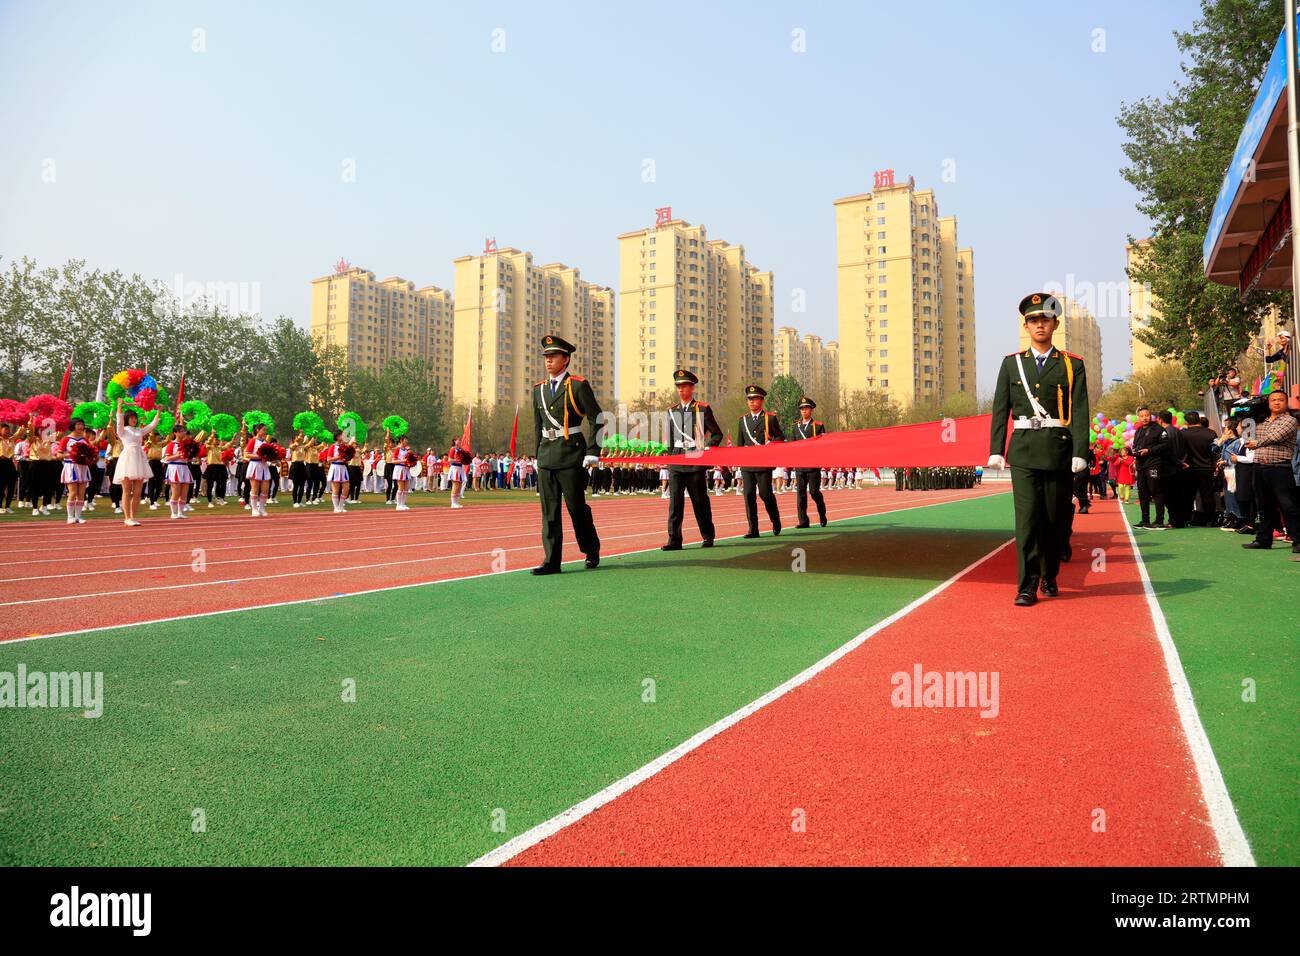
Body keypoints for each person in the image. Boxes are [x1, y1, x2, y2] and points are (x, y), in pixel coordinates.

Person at [987, 292, 1090, 606]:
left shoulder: (1072, 365)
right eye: (1033, 320)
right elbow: (1000, 409)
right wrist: (996, 449)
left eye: (1045, 319)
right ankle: (1027, 585)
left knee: (1055, 520)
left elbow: (1080, 409)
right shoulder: (1011, 364)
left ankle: (1050, 575)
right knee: (1028, 520)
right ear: (1026, 326)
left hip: (1058, 451)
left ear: (1055, 323)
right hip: (1024, 452)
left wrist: (1079, 452)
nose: (1039, 325)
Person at [531, 334, 601, 574]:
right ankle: (552, 560)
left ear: (566, 359)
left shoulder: (578, 385)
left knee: (576, 508)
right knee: (549, 511)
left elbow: (598, 419)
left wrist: (593, 451)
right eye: (546, 357)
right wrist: (536, 457)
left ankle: (591, 549)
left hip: (572, 455)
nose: (548, 361)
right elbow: (537, 426)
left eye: (554, 356)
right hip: (547, 456)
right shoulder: (538, 390)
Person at [660, 368, 723, 551]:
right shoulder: (672, 411)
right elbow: (670, 439)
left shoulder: (702, 409)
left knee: (700, 502)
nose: (681, 390)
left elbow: (716, 433)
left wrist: (707, 447)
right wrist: (669, 457)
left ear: (692, 387)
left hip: (695, 464)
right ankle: (674, 539)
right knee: (675, 504)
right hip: (677, 464)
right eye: (678, 386)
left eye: (685, 386)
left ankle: (707, 536)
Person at [1241, 388, 1299, 553]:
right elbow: (1246, 438)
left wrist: (1256, 443)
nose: (1276, 402)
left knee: (1288, 506)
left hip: (1279, 467)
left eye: (1280, 399)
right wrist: (1249, 414)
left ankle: (1298, 540)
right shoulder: (1261, 420)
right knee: (1264, 507)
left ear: (1286, 403)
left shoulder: (1289, 420)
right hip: (1259, 467)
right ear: (1268, 403)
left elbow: (1275, 436)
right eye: (1273, 400)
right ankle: (1263, 540)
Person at [735, 384, 784, 538]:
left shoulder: (770, 418)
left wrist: (771, 443)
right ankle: (753, 529)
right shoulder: (742, 420)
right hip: (748, 464)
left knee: (765, 494)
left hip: (763, 463)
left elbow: (780, 437)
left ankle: (775, 521)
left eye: (755, 399)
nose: (751, 402)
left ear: (762, 400)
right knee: (748, 495)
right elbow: (740, 443)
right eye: (749, 399)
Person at [112, 398, 159, 525]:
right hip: (127, 459)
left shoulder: (139, 431)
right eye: (132, 417)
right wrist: (119, 406)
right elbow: (119, 421)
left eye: (135, 417)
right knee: (127, 491)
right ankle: (127, 518)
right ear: (127, 418)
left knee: (138, 493)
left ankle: (133, 517)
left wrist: (158, 412)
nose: (134, 419)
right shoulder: (122, 430)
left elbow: (152, 426)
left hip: (139, 459)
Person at [791, 397, 828, 528]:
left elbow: (823, 445)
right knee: (800, 494)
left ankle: (822, 514)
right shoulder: (796, 427)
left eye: (806, 408)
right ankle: (803, 521)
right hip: (800, 465)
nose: (804, 411)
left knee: (814, 492)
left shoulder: (818, 426)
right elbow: (793, 445)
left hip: (813, 465)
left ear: (811, 410)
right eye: (802, 409)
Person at [161, 425, 194, 519]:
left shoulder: (186, 444)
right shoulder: (171, 444)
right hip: (174, 468)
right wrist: (179, 455)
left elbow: (187, 458)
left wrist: (189, 457)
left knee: (184, 493)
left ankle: (181, 513)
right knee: (176, 492)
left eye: (183, 431)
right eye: (180, 431)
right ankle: (173, 513)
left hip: (184, 467)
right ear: (175, 433)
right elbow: (167, 458)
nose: (183, 433)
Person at [244, 422, 273, 518]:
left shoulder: (265, 442)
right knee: (255, 489)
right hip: (255, 466)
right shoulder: (253, 441)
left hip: (264, 466)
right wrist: (259, 456)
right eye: (263, 430)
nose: (265, 432)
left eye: (266, 430)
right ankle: (254, 509)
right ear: (257, 430)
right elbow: (247, 454)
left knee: (265, 489)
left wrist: (271, 457)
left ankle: (262, 508)